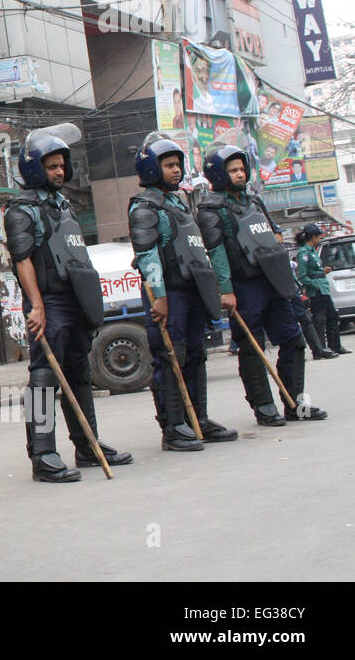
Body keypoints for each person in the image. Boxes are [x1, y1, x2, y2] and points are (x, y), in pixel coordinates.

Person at [4, 128, 132, 483]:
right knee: (45, 378)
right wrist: (36, 306)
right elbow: (23, 259)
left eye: (62, 166)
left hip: (76, 301)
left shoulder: (63, 205)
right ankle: (43, 454)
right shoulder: (21, 209)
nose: (60, 172)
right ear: (33, 168)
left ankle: (88, 445)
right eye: (52, 166)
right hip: (51, 303)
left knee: (79, 374)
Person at [195, 146, 327, 424]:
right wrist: (226, 290)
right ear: (218, 173)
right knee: (252, 348)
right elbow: (216, 251)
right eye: (233, 170)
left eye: (241, 169)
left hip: (273, 281)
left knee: (295, 340)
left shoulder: (254, 200)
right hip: (244, 286)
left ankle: (296, 402)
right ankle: (264, 407)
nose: (240, 174)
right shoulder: (210, 208)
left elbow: (273, 233)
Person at [128, 135, 237, 451]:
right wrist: (159, 296)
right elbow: (147, 255)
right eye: (169, 165)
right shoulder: (144, 207)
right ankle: (174, 427)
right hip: (170, 295)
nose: (176, 170)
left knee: (195, 356)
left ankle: (198, 420)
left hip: (191, 292)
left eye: (178, 165)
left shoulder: (178, 202)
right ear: (152, 168)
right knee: (170, 358)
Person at [295, 225, 347, 356]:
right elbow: (302, 275)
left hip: (323, 289)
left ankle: (335, 346)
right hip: (317, 291)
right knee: (319, 320)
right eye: (318, 236)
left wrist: (323, 271)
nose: (320, 238)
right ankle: (320, 349)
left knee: (333, 317)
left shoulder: (312, 251)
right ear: (313, 237)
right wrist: (315, 285)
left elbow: (314, 271)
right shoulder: (304, 253)